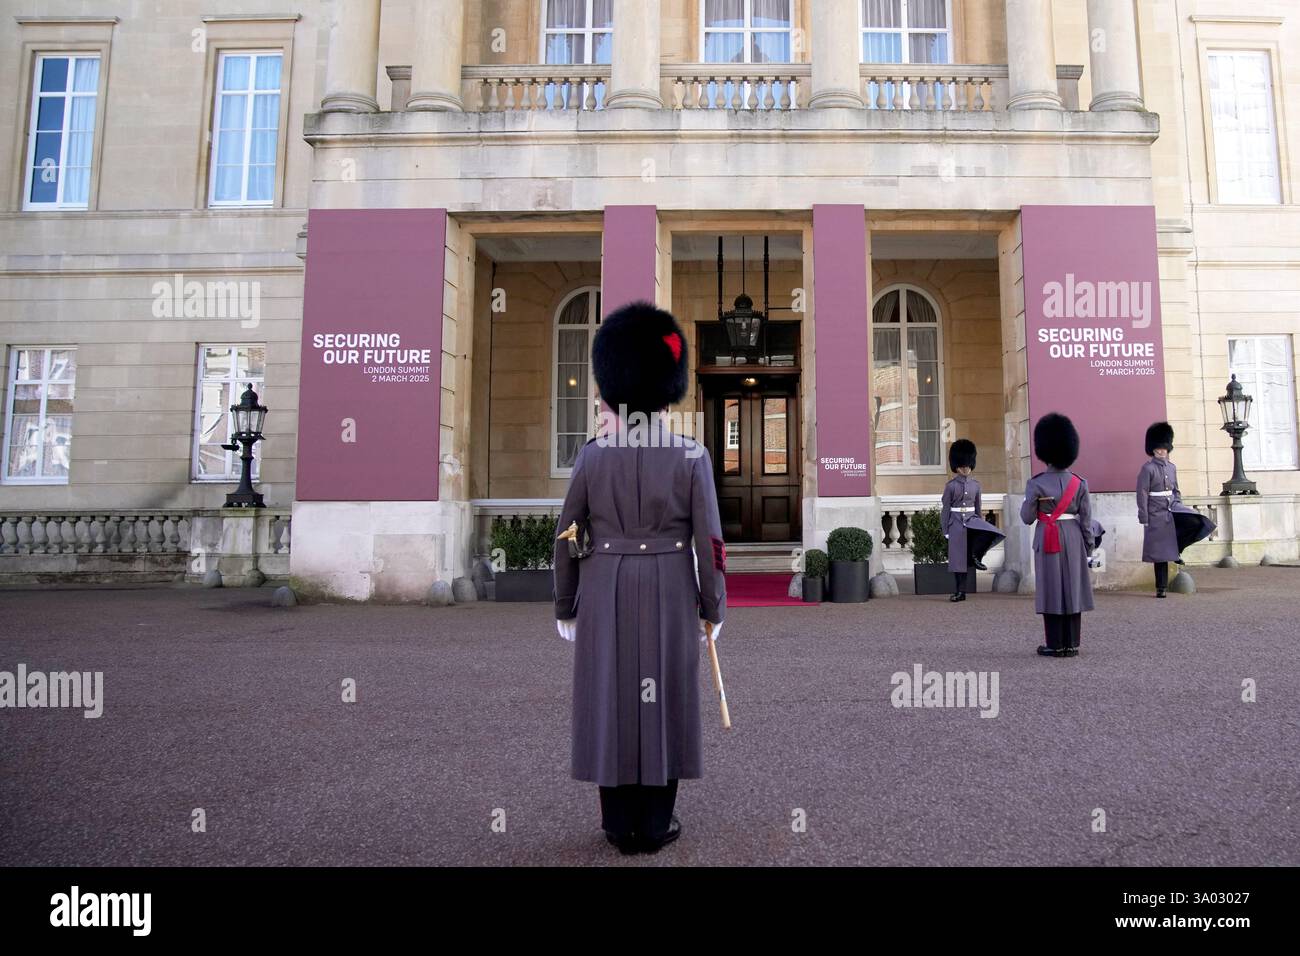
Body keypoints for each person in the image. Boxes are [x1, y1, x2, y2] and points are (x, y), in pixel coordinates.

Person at [552, 301, 727, 855]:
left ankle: (616, 823)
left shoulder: (592, 457)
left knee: (610, 692)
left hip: (603, 586)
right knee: (666, 694)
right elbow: (712, 544)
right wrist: (713, 605)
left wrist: (565, 603)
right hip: (673, 586)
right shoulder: (691, 456)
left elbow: (566, 535)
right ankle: (655, 823)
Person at [1020, 413, 1095, 658]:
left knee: (1051, 587)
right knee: (1073, 587)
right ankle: (1072, 643)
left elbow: (1026, 517)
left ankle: (1054, 644)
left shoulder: (1036, 483)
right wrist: (1089, 547)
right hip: (1073, 537)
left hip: (1048, 536)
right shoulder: (1079, 482)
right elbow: (1086, 520)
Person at [1137, 422, 1216, 598]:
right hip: (1156, 512)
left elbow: (1175, 489)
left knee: (1196, 521)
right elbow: (1142, 493)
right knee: (1160, 553)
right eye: (1158, 449)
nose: (1161, 451)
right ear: (1153, 449)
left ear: (1167, 448)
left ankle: (1178, 549)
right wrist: (1144, 516)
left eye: (1164, 448)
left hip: (1172, 508)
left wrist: (1178, 503)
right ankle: (1161, 588)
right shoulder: (1147, 468)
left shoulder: (1172, 467)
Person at [940, 438, 1005, 602]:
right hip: (955, 524)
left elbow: (978, 507)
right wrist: (945, 530)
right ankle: (960, 592)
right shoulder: (951, 486)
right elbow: (946, 509)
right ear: (956, 467)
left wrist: (980, 523)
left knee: (992, 532)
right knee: (958, 562)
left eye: (968, 466)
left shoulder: (976, 485)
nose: (965, 469)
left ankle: (976, 557)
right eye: (962, 466)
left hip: (971, 520)